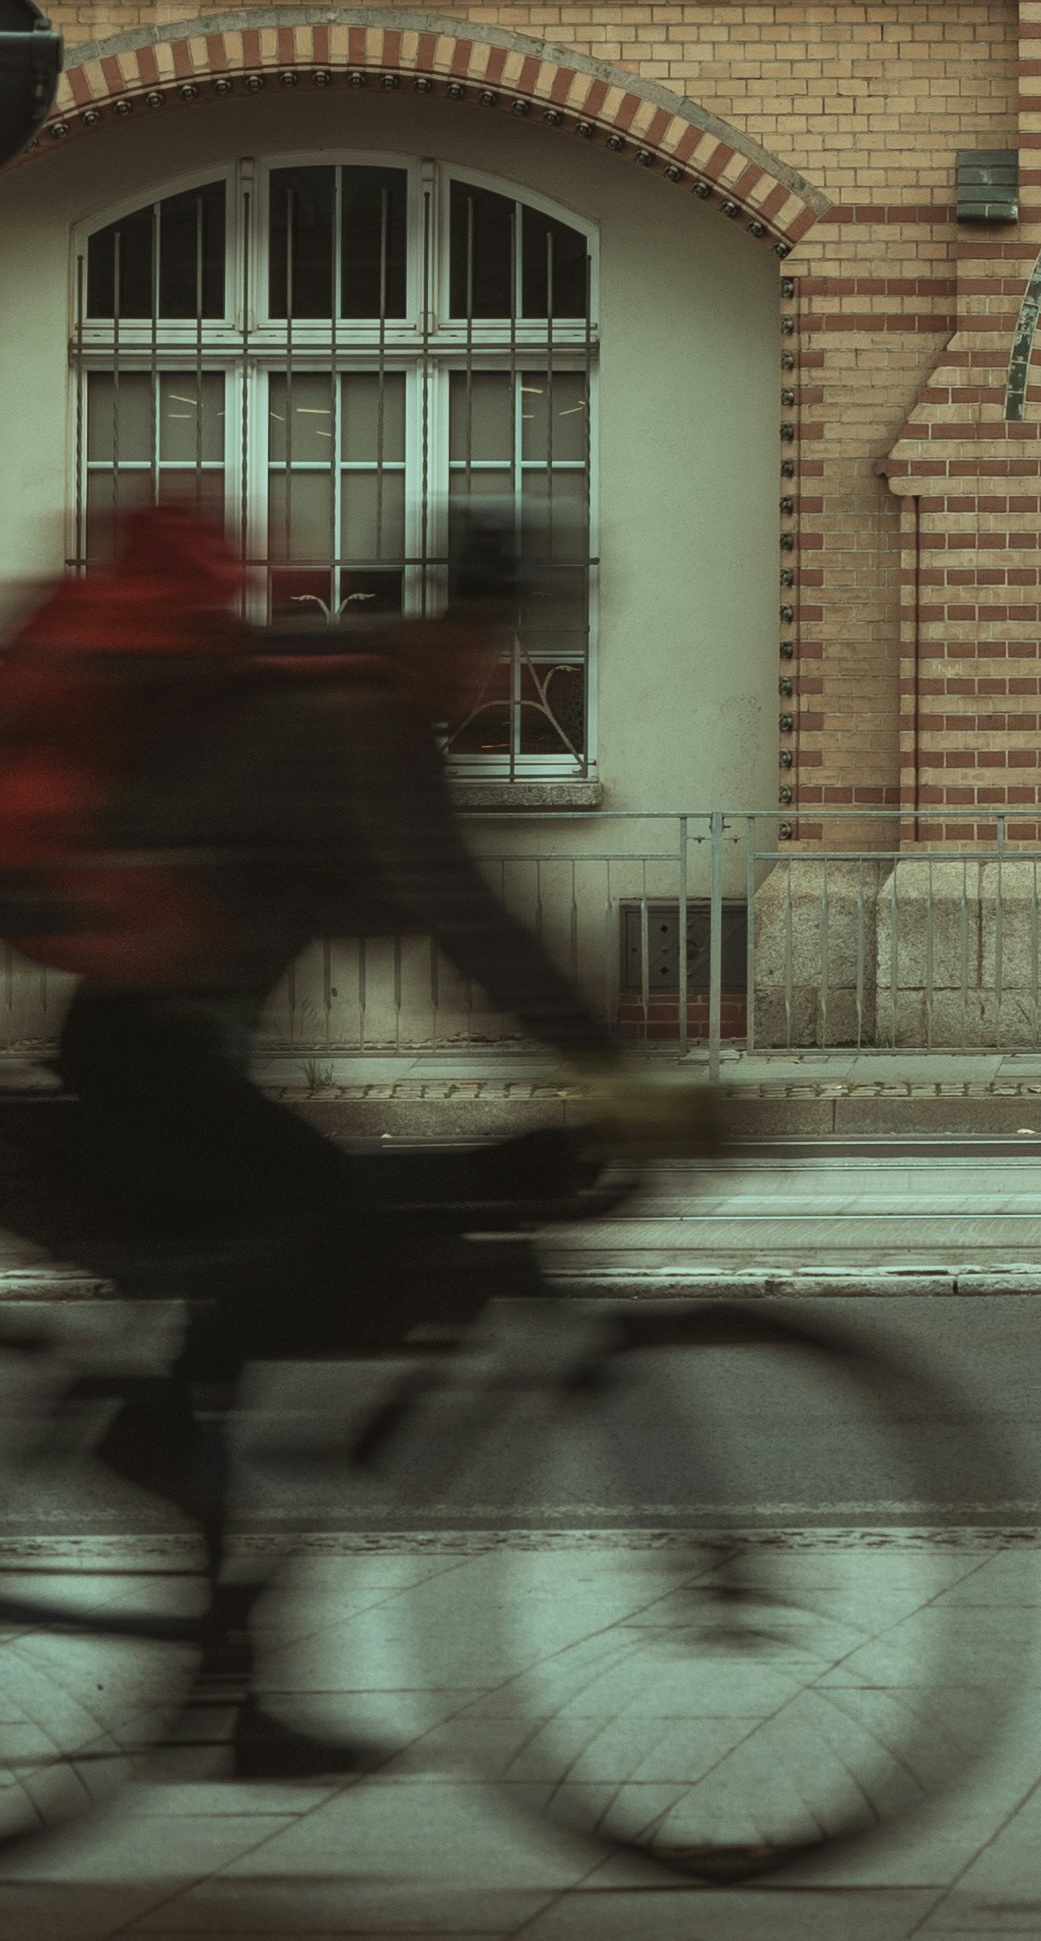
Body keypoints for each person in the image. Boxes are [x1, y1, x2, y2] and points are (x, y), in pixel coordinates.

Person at [53, 512, 660, 1776]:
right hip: (147, 1055)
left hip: (176, 1049)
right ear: (459, 631)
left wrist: (578, 1059)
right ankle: (148, 1429)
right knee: (324, 1228)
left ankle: (232, 1681)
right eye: (498, 645)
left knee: (337, 1242)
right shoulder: (358, 721)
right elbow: (463, 921)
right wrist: (616, 1070)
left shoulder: (348, 715)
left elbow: (428, 922)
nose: (498, 676)